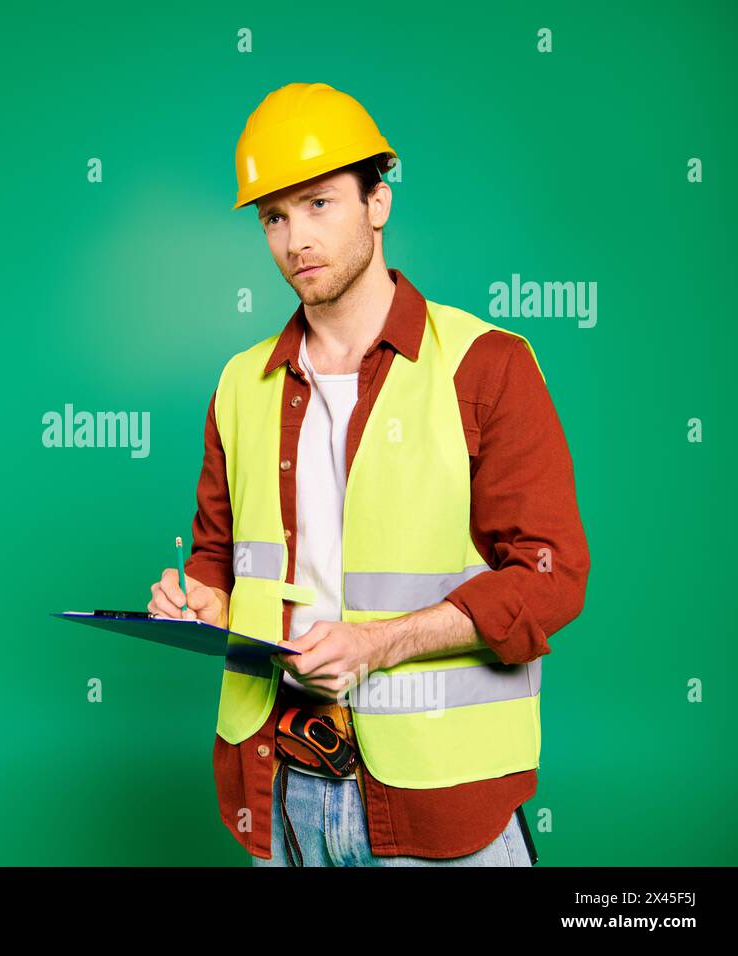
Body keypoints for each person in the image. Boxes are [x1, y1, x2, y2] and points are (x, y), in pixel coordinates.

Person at [146, 82, 589, 866]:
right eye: (274, 217)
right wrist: (203, 602)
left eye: (318, 204)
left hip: (442, 800)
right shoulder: (240, 384)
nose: (296, 240)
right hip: (281, 789)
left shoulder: (486, 366)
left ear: (377, 203)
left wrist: (382, 643)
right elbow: (218, 557)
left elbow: (550, 579)